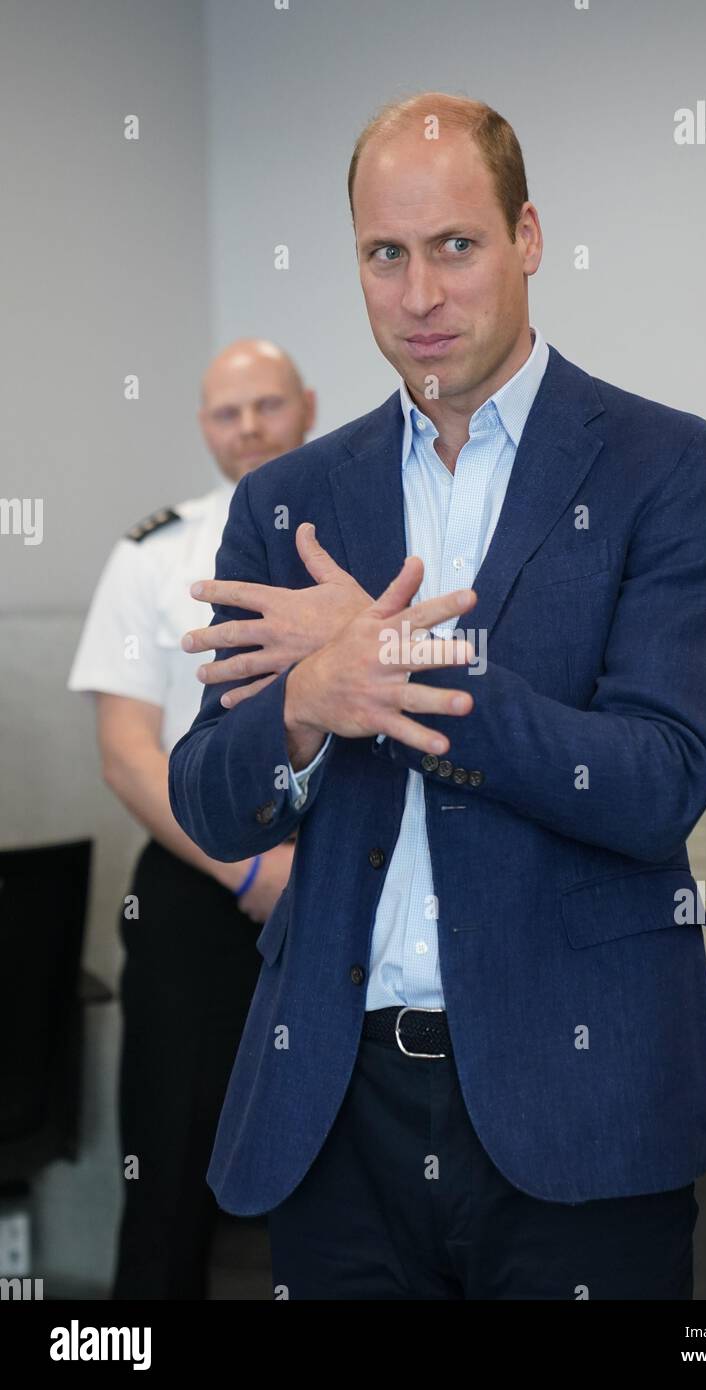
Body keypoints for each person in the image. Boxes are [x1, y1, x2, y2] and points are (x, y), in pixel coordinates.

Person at [169, 93, 706, 1301]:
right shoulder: (289, 501)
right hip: (334, 1112)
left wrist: (391, 664)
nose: (420, 295)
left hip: (576, 1111)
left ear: (526, 237)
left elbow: (652, 784)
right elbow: (210, 798)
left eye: (455, 247)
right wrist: (303, 708)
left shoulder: (669, 469)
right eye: (386, 254)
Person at [68, 339, 316, 1299]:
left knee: (370, 1161)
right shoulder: (158, 552)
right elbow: (127, 752)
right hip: (199, 871)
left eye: (267, 404)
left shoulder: (378, 530)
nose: (249, 427)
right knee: (169, 1162)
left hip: (353, 866)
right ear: (205, 427)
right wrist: (248, 875)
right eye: (226, 412)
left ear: (307, 404)